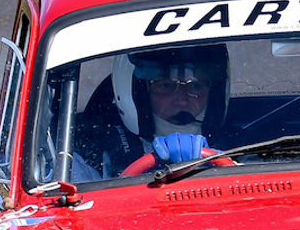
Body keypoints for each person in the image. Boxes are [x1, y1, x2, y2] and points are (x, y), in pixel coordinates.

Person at [73, 44, 229, 179]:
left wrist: (228, 165)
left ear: (214, 94)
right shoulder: (95, 153)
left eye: (195, 86)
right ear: (139, 92)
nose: (181, 100)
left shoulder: (239, 145)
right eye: (166, 86)